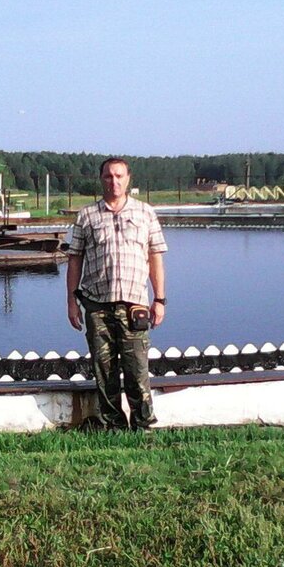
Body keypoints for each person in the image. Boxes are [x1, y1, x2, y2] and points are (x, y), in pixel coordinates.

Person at [66, 157, 168, 430]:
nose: (114, 181)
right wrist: (72, 301)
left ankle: (143, 425)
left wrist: (159, 299)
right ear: (101, 179)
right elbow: (74, 258)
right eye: (109, 176)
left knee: (137, 369)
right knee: (104, 369)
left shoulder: (145, 213)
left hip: (135, 305)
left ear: (128, 179)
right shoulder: (87, 216)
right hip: (97, 305)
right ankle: (113, 426)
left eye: (119, 176)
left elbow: (155, 255)